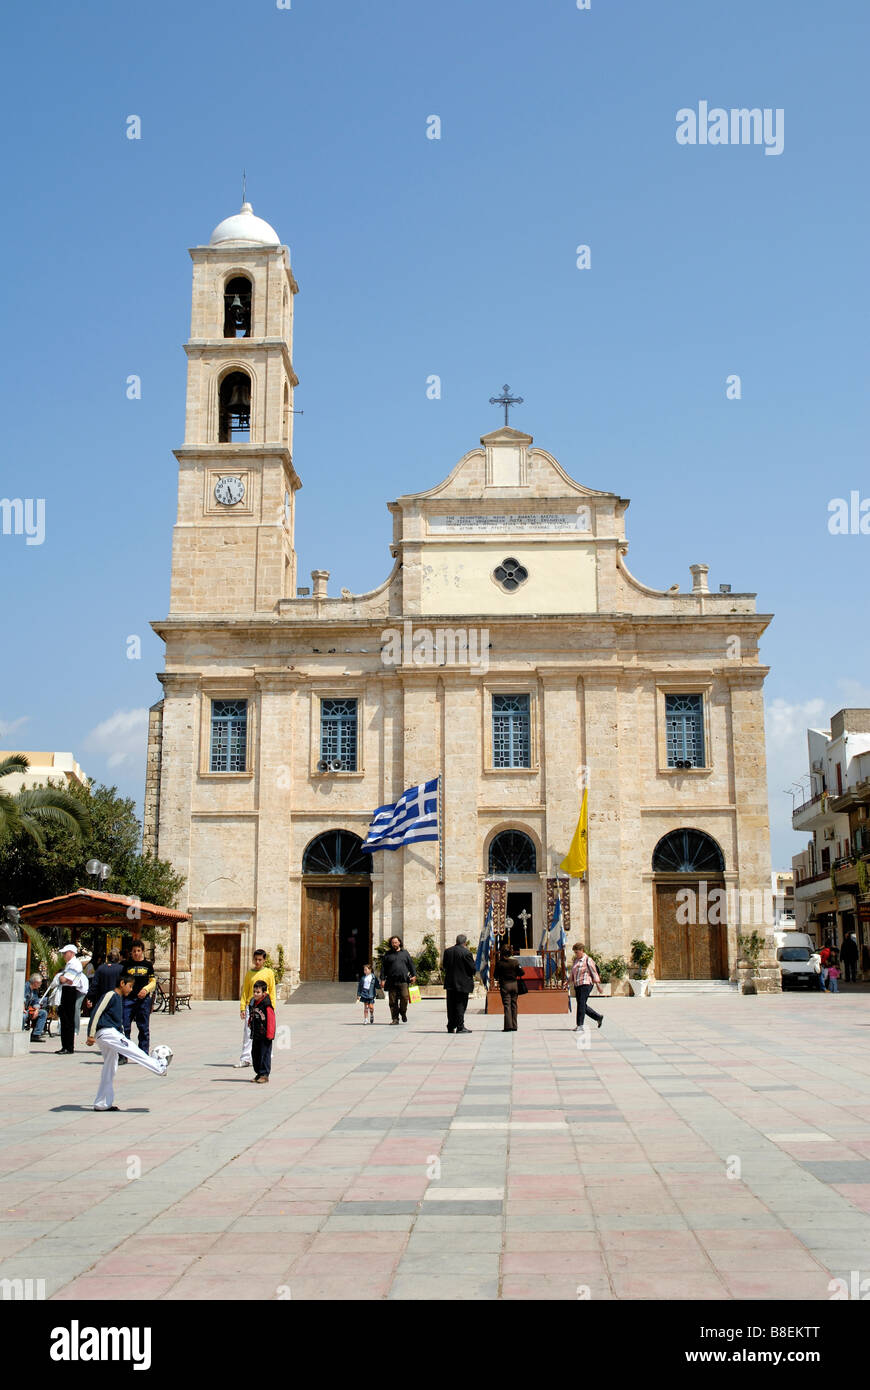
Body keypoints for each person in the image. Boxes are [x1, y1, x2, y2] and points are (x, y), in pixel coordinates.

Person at [86, 972, 170, 1111]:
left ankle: (102, 1103)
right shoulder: (110, 995)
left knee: (110, 1067)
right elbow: (97, 1012)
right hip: (106, 1032)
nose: (131, 989)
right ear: (122, 984)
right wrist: (90, 1034)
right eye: (130, 986)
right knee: (131, 1048)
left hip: (111, 1033)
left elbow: (118, 1022)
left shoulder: (119, 999)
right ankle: (158, 1067)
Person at [236, 949, 277, 1067]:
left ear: (264, 960)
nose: (257, 962)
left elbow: (272, 990)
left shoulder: (269, 973)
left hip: (265, 1006)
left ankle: (267, 1055)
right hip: (252, 1005)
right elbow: (245, 991)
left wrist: (272, 1007)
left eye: (260, 959)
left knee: (265, 1031)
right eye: (256, 959)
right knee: (249, 1031)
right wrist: (243, 1007)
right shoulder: (249, 973)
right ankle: (246, 1058)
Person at [119, 941, 157, 1063]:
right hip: (128, 1000)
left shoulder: (148, 965)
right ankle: (123, 1055)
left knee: (143, 1027)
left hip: (143, 1000)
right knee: (125, 1027)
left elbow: (153, 982)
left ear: (142, 951)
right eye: (134, 951)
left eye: (138, 951)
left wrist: (146, 990)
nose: (136, 953)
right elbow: (122, 982)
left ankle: (143, 1055)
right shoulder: (126, 965)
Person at [52, 944, 89, 1054]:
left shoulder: (74, 964)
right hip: (66, 991)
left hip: (70, 991)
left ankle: (68, 1047)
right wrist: (62, 977)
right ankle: (65, 1045)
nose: (63, 955)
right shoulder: (69, 964)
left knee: (68, 1019)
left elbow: (66, 980)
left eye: (65, 953)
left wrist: (60, 977)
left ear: (71, 953)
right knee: (64, 1019)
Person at [441, 934, 476, 1034]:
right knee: (461, 1005)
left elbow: (445, 966)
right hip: (463, 983)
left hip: (450, 982)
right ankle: (460, 1026)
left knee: (451, 1005)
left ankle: (451, 1026)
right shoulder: (466, 953)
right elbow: (472, 969)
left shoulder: (448, 951)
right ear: (465, 942)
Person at [379, 936, 417, 1024]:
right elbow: (383, 968)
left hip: (403, 980)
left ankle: (403, 1012)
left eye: (396, 942)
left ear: (399, 943)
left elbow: (411, 964)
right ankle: (395, 1018)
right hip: (391, 981)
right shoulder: (388, 954)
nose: (394, 944)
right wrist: (382, 979)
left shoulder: (405, 953)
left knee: (405, 997)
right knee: (392, 1001)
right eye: (393, 943)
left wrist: (414, 975)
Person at [569, 942, 604, 1030]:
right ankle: (598, 1017)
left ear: (582, 950)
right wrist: (568, 982)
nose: (576, 954)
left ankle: (580, 1025)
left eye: (577, 952)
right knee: (582, 1004)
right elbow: (573, 973)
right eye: (575, 952)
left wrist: (598, 986)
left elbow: (594, 973)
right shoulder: (576, 960)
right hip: (577, 984)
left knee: (581, 1004)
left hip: (586, 984)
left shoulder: (588, 960)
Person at [248, 979, 276, 1083]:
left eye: (258, 992)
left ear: (263, 993)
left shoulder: (266, 1004)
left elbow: (271, 1020)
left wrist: (270, 1034)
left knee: (265, 1054)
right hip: (256, 1034)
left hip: (265, 1035)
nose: (255, 994)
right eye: (254, 992)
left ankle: (264, 1074)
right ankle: (259, 1073)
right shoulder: (253, 1002)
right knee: (255, 1054)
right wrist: (250, 1022)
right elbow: (251, 1014)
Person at [494, 943, 524, 1032]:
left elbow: (495, 975)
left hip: (505, 985)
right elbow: (522, 972)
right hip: (514, 984)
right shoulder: (515, 962)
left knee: (507, 1005)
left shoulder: (499, 963)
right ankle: (514, 1026)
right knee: (514, 1005)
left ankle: (508, 1026)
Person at [22, 974, 47, 1042]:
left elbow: (36, 1002)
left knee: (43, 1013)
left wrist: (36, 1010)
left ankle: (35, 1035)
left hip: (28, 1009)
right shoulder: (25, 987)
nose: (41, 984)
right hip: (22, 1009)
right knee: (23, 1016)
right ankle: (20, 1033)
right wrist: (23, 1009)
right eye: (40, 982)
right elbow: (22, 999)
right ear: (35, 982)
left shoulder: (35, 990)